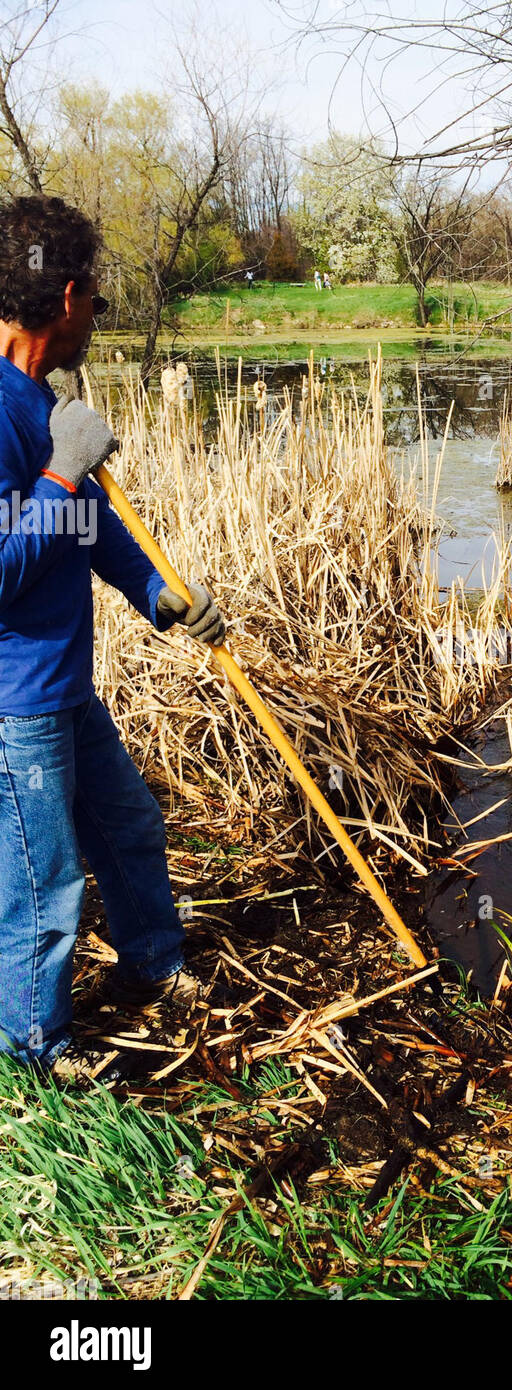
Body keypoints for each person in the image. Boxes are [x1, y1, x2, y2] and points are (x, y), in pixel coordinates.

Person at [0, 195, 228, 1083]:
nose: (98, 314)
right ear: (65, 295)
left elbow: (90, 530)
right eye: (96, 297)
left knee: (128, 825)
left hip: (65, 689)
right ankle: (35, 1048)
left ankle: (155, 961)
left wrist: (162, 596)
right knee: (45, 886)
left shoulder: (41, 399)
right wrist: (61, 470)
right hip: (19, 703)